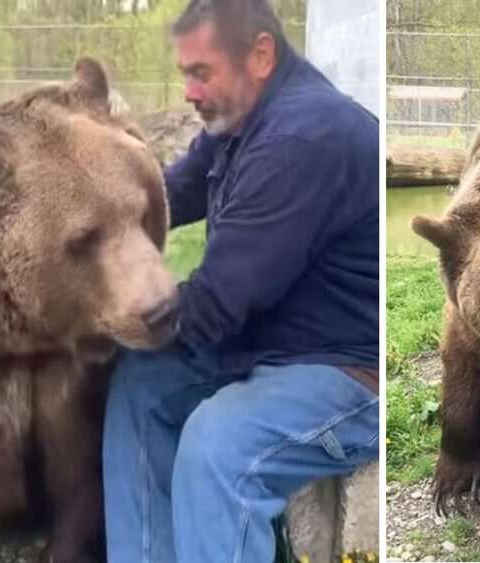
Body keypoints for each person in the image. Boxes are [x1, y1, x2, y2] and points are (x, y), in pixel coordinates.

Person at [101, 1, 379, 561]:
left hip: (346, 373)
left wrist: (100, 324)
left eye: (201, 73)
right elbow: (165, 196)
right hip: (270, 346)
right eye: (185, 74)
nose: (189, 92)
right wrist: (94, 215)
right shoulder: (242, 117)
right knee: (140, 387)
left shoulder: (302, 138)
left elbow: (214, 307)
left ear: (260, 55)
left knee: (218, 446)